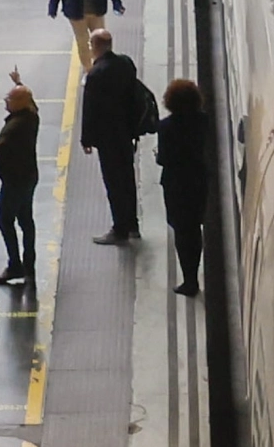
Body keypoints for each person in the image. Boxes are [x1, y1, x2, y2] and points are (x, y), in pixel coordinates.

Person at [80, 28, 155, 245]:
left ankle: (119, 228)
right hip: (126, 132)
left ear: (95, 47)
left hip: (107, 136)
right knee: (127, 179)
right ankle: (133, 225)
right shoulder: (125, 63)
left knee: (113, 182)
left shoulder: (96, 74)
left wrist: (87, 139)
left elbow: (90, 109)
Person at [0, 77, 41, 287]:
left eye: (9, 98)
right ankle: (29, 263)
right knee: (26, 220)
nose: (5, 101)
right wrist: (20, 82)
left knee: (6, 221)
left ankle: (15, 264)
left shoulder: (14, 126)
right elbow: (33, 102)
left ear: (18, 103)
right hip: (29, 176)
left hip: (13, 181)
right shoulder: (32, 117)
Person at [157, 79, 211, 297]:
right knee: (194, 228)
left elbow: (163, 159)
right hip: (198, 180)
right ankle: (194, 275)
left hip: (176, 183)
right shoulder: (204, 121)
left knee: (181, 230)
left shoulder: (166, 127)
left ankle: (189, 279)